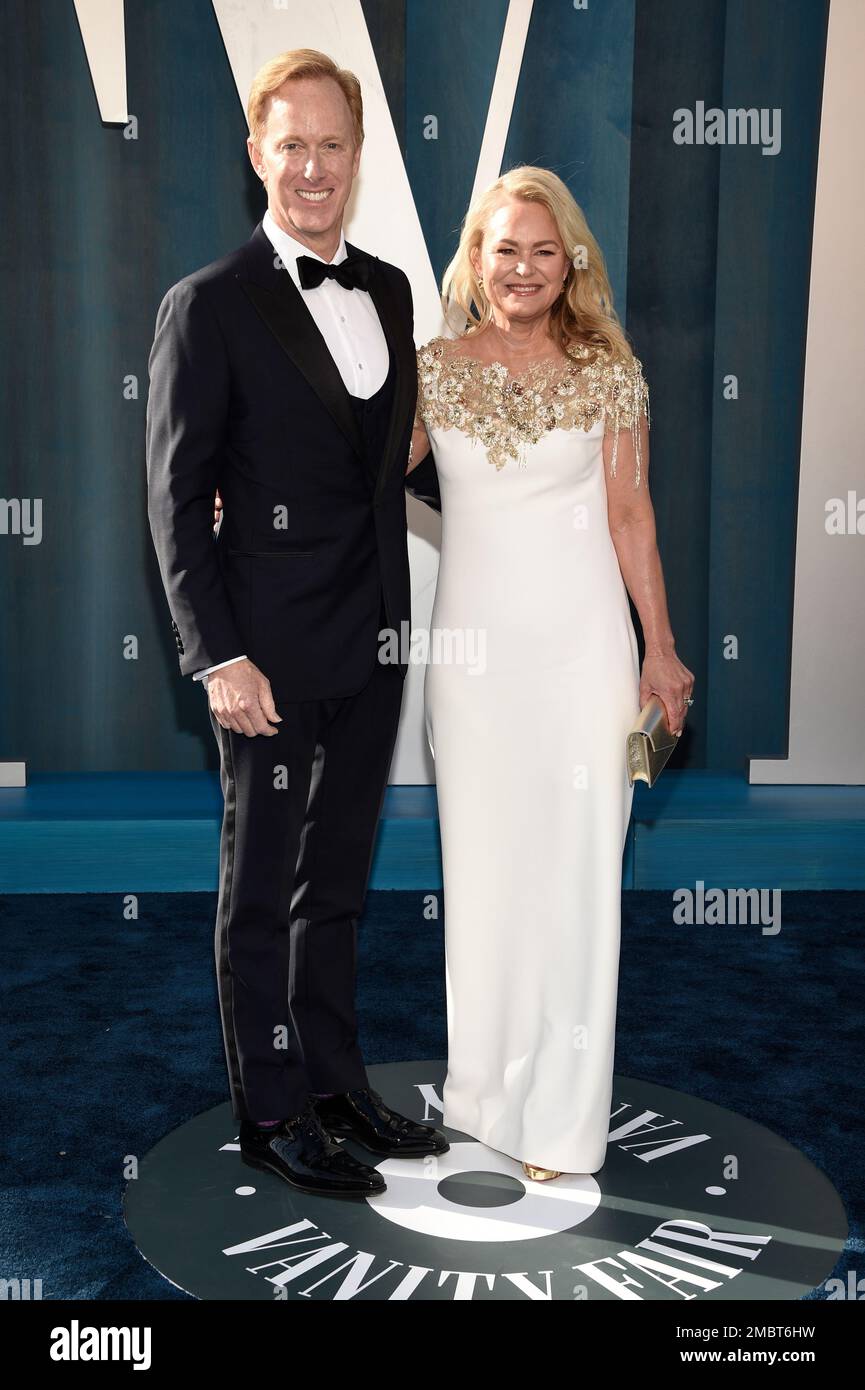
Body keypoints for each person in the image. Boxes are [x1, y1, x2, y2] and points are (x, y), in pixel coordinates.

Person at [146, 48, 447, 1199]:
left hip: (374, 638)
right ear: (256, 156)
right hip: (264, 654)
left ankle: (334, 1084)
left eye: (332, 145)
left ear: (356, 159)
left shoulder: (385, 290)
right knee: (261, 889)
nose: (312, 166)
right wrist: (217, 653)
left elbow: (394, 463)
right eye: (291, 145)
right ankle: (270, 1112)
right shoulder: (209, 304)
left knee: (340, 882)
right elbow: (174, 499)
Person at [406, 166, 694, 1181]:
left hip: (581, 659)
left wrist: (659, 647)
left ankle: (562, 1123)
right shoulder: (433, 370)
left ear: (568, 261)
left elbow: (630, 518)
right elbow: (347, 482)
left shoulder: (608, 370)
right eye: (502, 249)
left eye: (542, 250)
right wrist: (240, 500)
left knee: (573, 881)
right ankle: (485, 1095)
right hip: (472, 670)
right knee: (484, 877)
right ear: (473, 261)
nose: (522, 269)